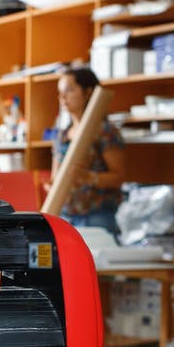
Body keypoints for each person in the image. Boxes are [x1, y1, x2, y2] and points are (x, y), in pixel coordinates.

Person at [50, 66, 125, 237]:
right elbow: (56, 176)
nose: (63, 97)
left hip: (97, 216)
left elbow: (119, 177)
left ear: (88, 92)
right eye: (60, 92)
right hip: (65, 216)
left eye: (69, 90)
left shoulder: (104, 131)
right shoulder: (62, 135)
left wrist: (88, 178)